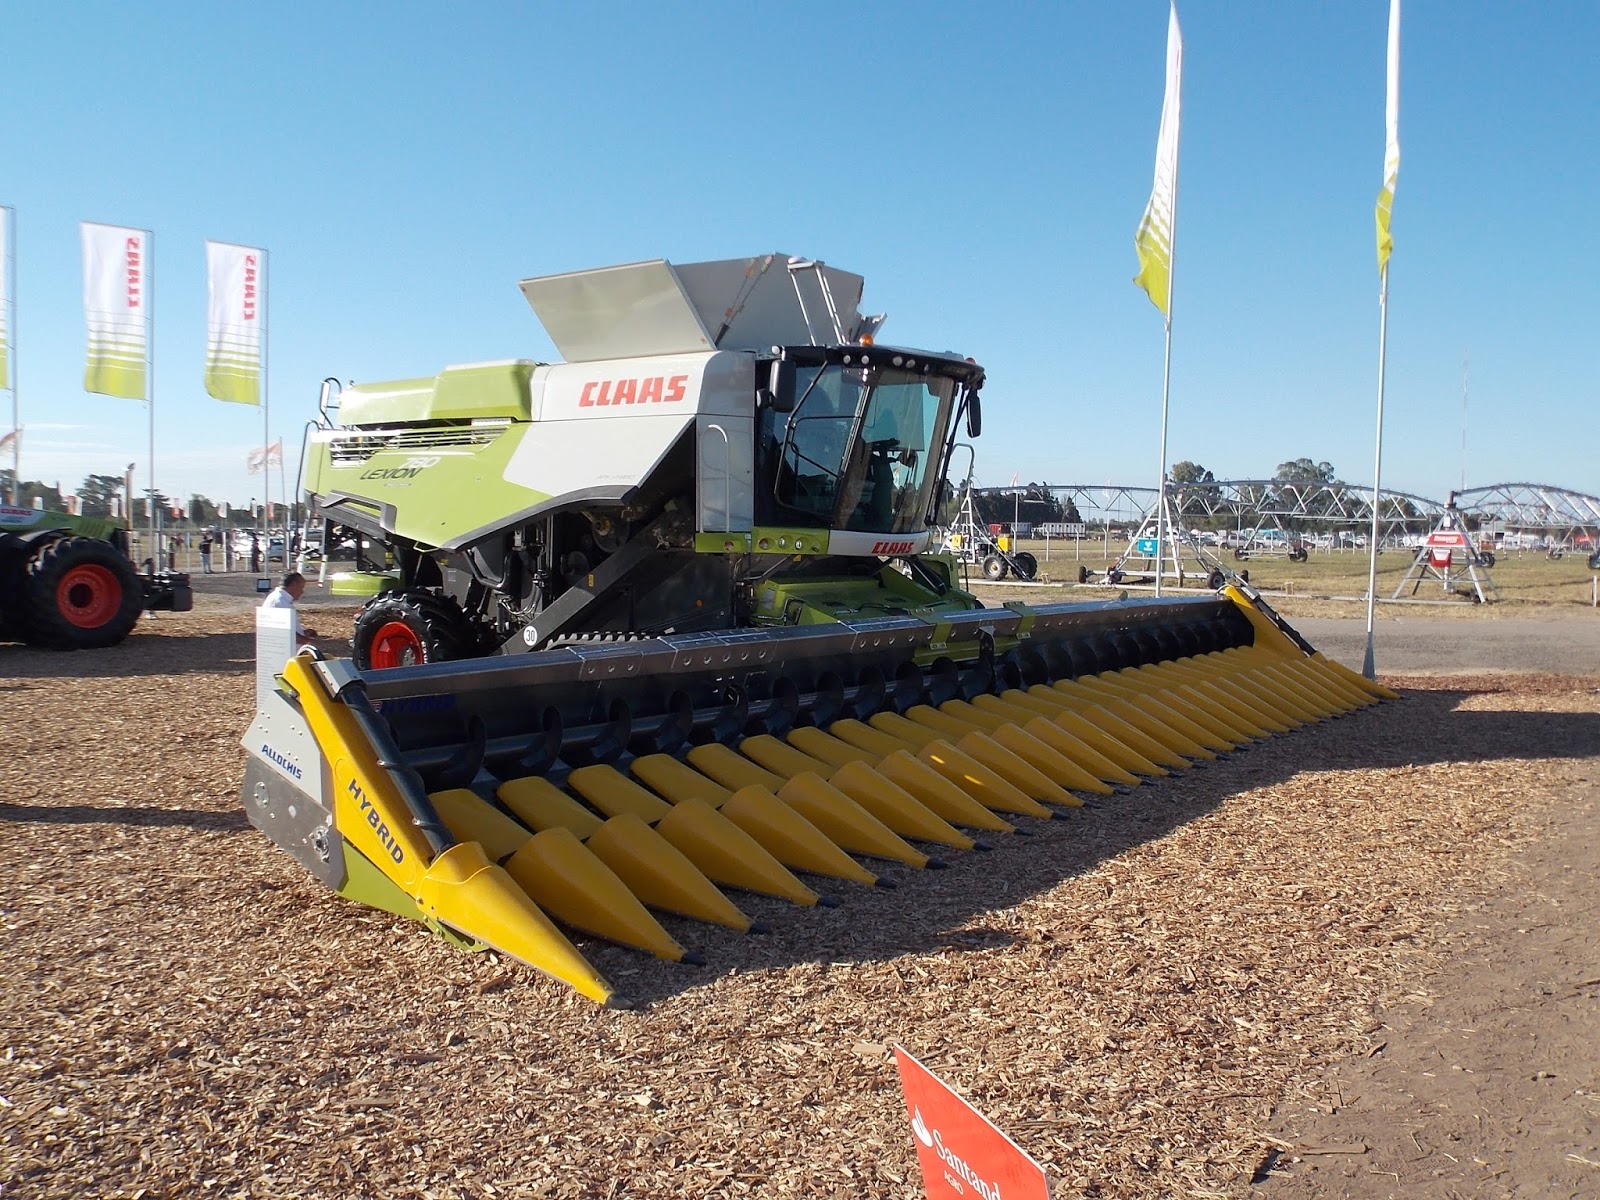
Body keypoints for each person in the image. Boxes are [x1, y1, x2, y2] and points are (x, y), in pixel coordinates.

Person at [261, 571, 318, 645]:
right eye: (301, 587)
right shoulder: (280, 602)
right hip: (283, 652)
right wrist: (310, 643)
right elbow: (286, 633)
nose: (302, 592)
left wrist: (303, 633)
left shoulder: (280, 598)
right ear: (294, 585)